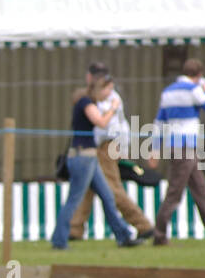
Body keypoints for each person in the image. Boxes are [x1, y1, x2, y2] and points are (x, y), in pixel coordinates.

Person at [149, 58, 205, 245]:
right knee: (175, 192)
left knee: (201, 191)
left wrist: (155, 149)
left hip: (174, 146)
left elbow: (159, 122)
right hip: (186, 147)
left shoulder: (167, 92)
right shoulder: (194, 90)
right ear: (199, 74)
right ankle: (159, 234)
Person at [52, 74, 143, 249]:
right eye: (108, 90)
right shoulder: (86, 103)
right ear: (98, 89)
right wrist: (113, 109)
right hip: (82, 157)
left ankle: (123, 236)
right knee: (74, 200)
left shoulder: (87, 102)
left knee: (108, 196)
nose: (110, 94)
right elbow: (101, 122)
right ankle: (59, 240)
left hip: (90, 157)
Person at [69, 62, 155, 241]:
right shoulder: (99, 95)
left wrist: (121, 148)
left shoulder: (107, 98)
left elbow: (108, 124)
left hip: (107, 145)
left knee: (112, 188)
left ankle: (143, 225)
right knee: (86, 188)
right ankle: (75, 229)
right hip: (100, 145)